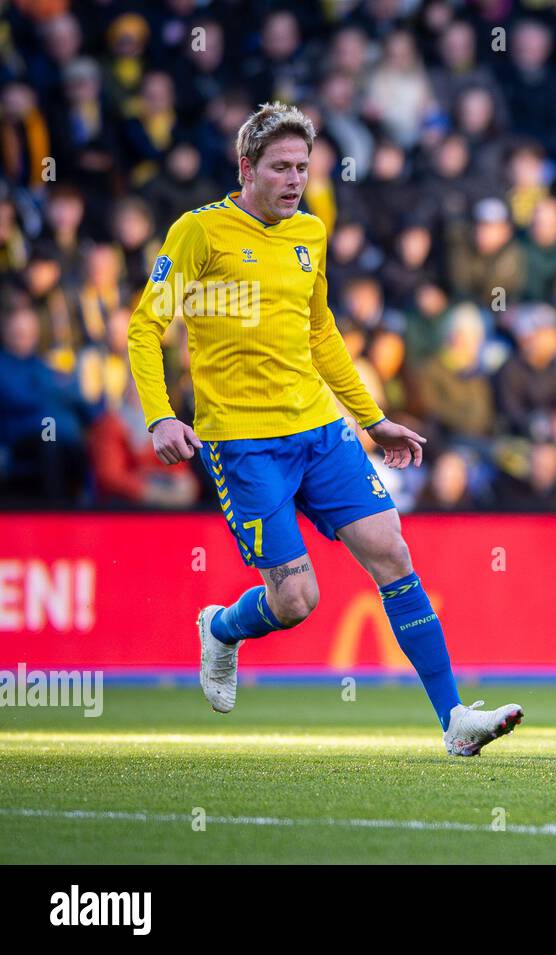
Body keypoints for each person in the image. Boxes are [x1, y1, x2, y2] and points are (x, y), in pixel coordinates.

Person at [126, 102, 522, 756]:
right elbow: (145, 327)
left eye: (302, 169)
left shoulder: (310, 231)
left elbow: (321, 334)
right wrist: (160, 413)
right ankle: (223, 629)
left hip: (319, 430)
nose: (292, 180)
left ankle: (454, 719)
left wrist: (371, 419)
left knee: (392, 548)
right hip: (243, 443)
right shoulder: (199, 233)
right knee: (296, 598)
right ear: (245, 167)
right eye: (280, 167)